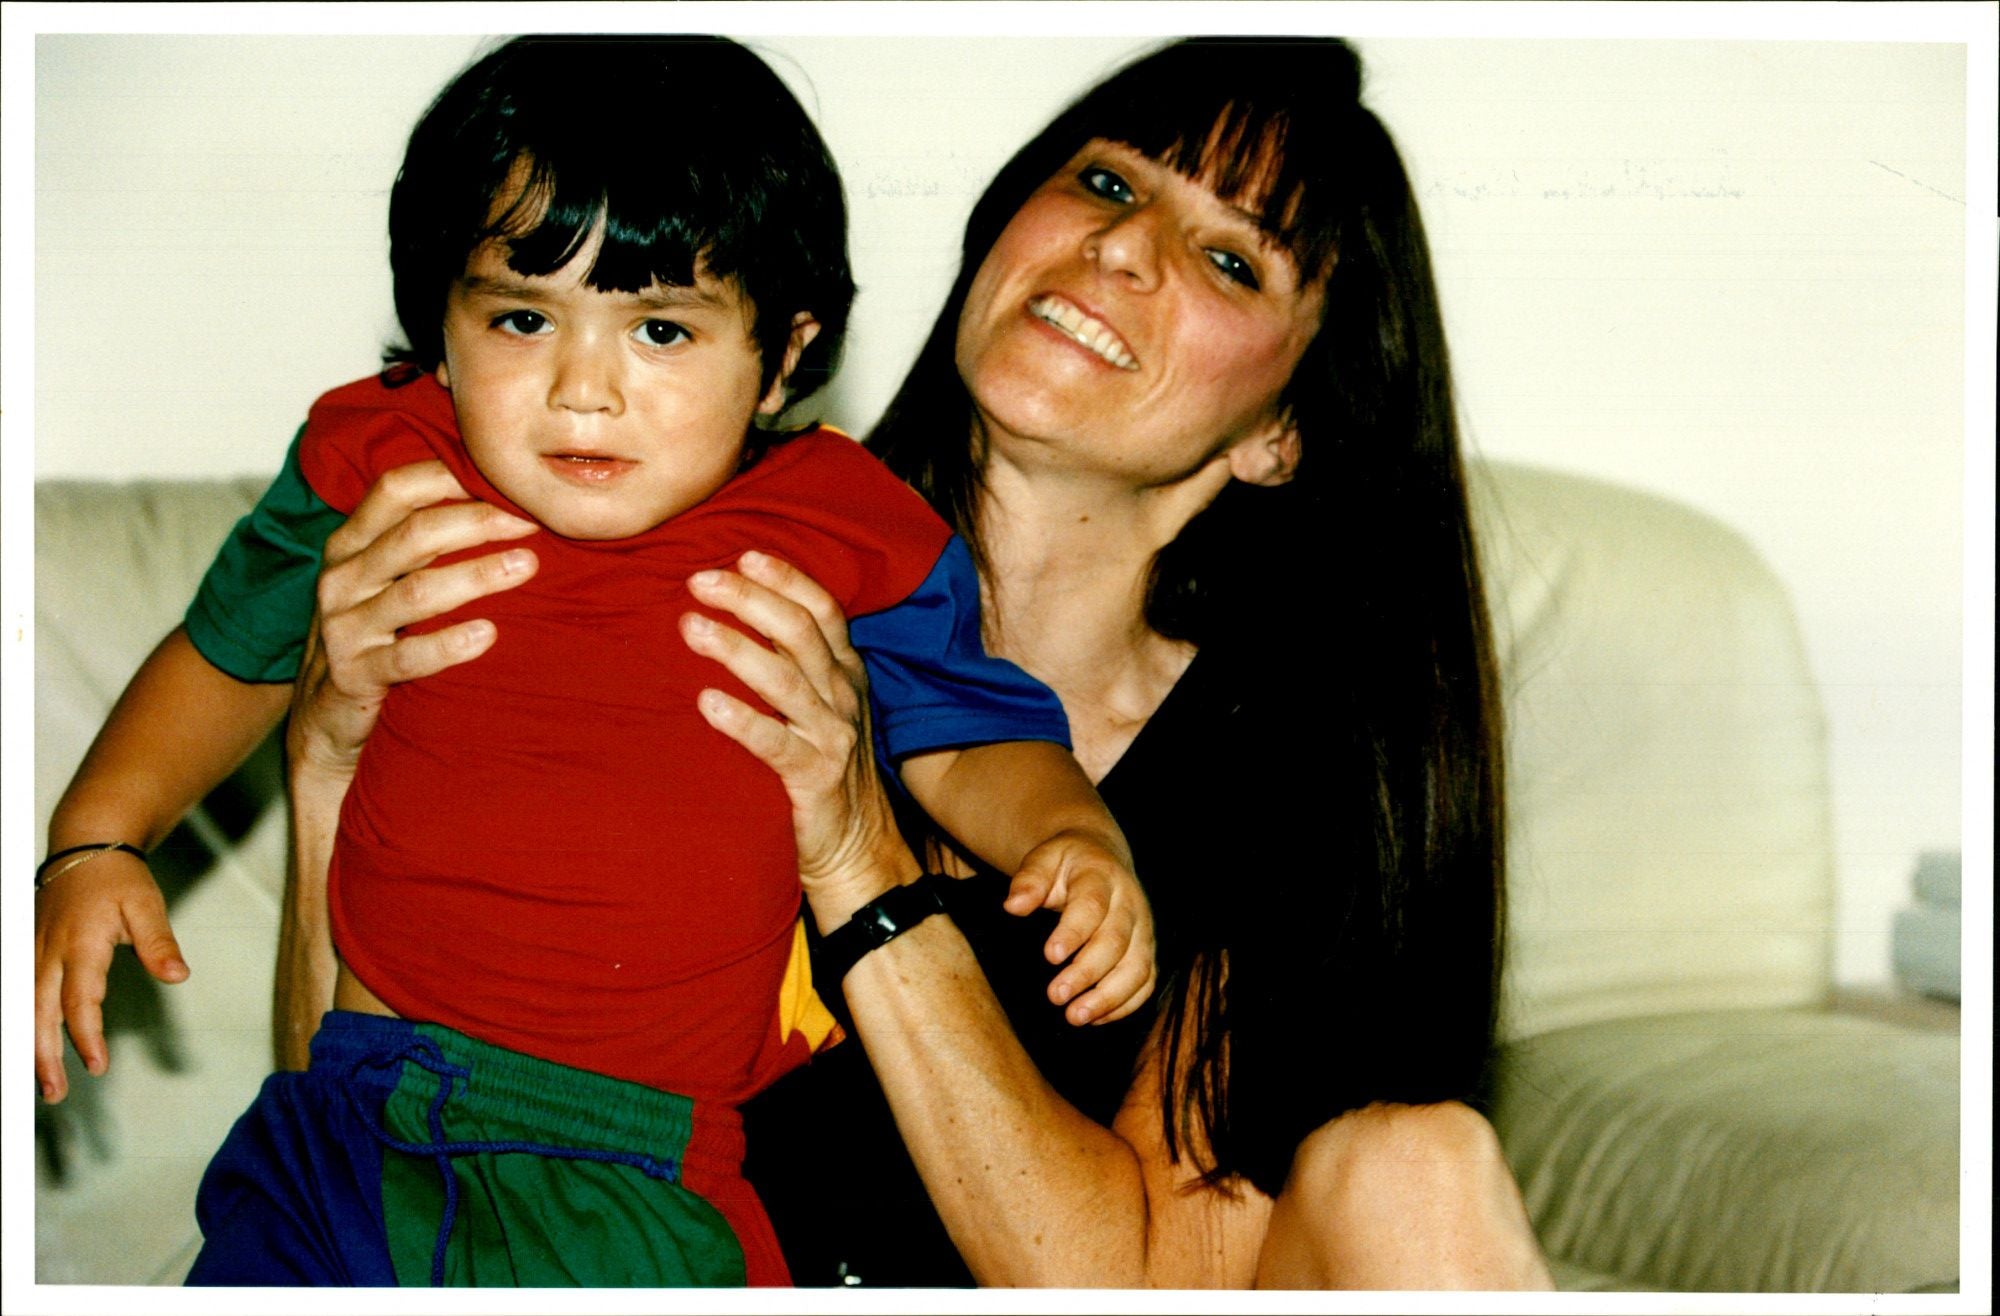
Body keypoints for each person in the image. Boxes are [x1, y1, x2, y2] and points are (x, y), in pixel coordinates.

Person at [284, 35, 1555, 1289]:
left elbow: (1131, 1281)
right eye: (1108, 185)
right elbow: (339, 1122)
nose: (1121, 248)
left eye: (1229, 258)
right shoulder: (631, 531)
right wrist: (326, 763)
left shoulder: (1279, 775)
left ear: (1283, 429)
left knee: (1416, 1166)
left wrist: (855, 854)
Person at [37, 35, 1154, 1288]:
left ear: (781, 355)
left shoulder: (845, 528)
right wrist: (98, 837)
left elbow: (963, 733)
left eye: (661, 331)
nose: (582, 390)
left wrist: (1073, 836)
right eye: (521, 316)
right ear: (437, 329)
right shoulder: (376, 463)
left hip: (631, 1157)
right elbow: (222, 654)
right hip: (349, 1110)